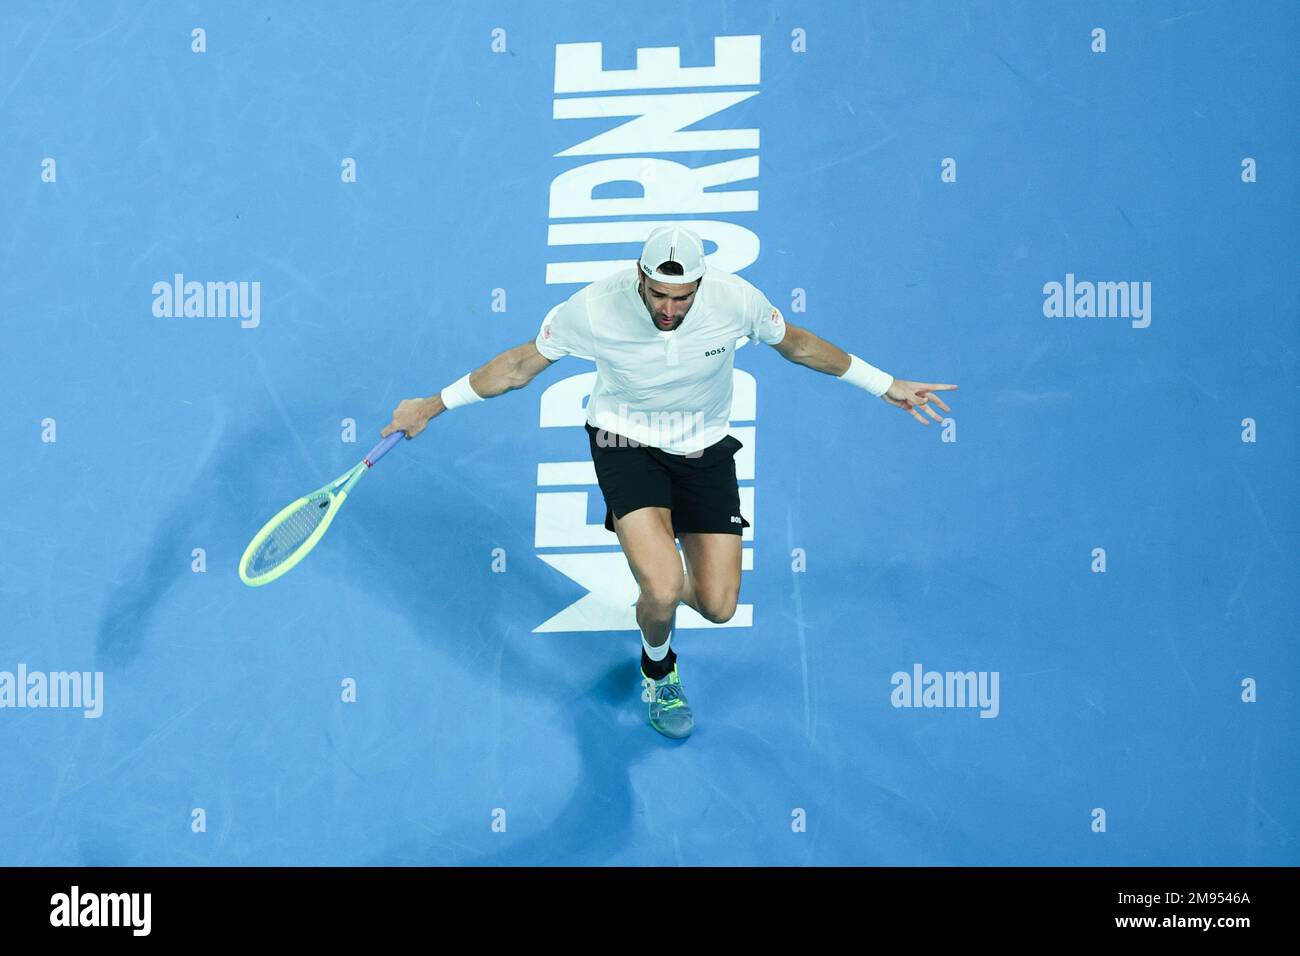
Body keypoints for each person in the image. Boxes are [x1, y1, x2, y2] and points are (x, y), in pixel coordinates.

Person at [382, 226, 956, 739]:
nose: (668, 308)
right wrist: (431, 406)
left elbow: (799, 345)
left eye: (681, 298)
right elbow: (516, 368)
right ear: (641, 277)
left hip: (704, 450)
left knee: (718, 605)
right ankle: (659, 668)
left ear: (701, 286)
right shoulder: (593, 310)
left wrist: (885, 385)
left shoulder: (736, 301)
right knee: (660, 588)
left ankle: (658, 560)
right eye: (659, 294)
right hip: (624, 443)